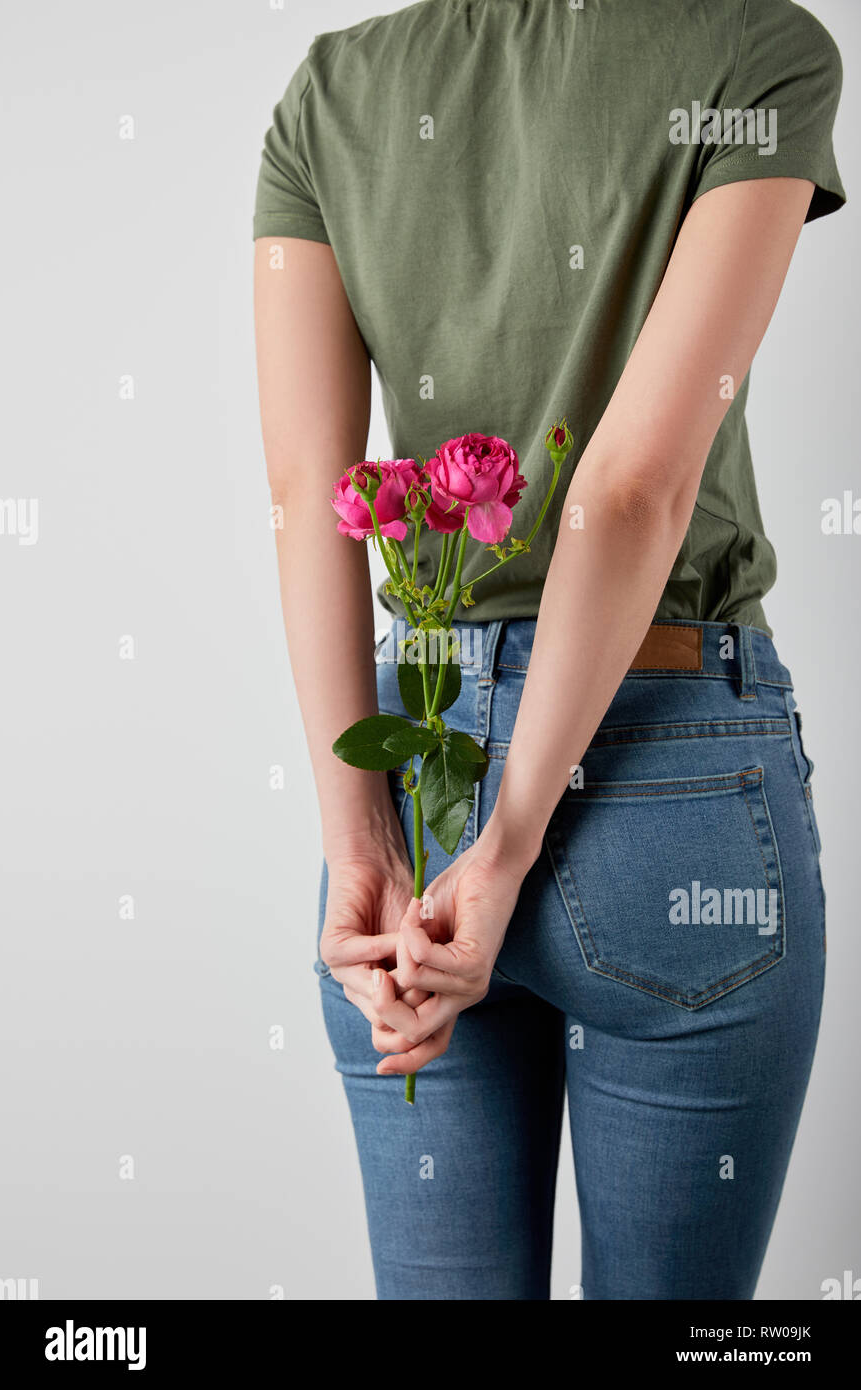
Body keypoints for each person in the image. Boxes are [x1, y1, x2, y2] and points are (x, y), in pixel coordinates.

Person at [253, 0, 845, 1300]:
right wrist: (511, 843)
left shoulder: (336, 88)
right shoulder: (757, 49)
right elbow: (630, 487)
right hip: (667, 770)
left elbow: (310, 488)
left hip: (415, 766)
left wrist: (361, 845)